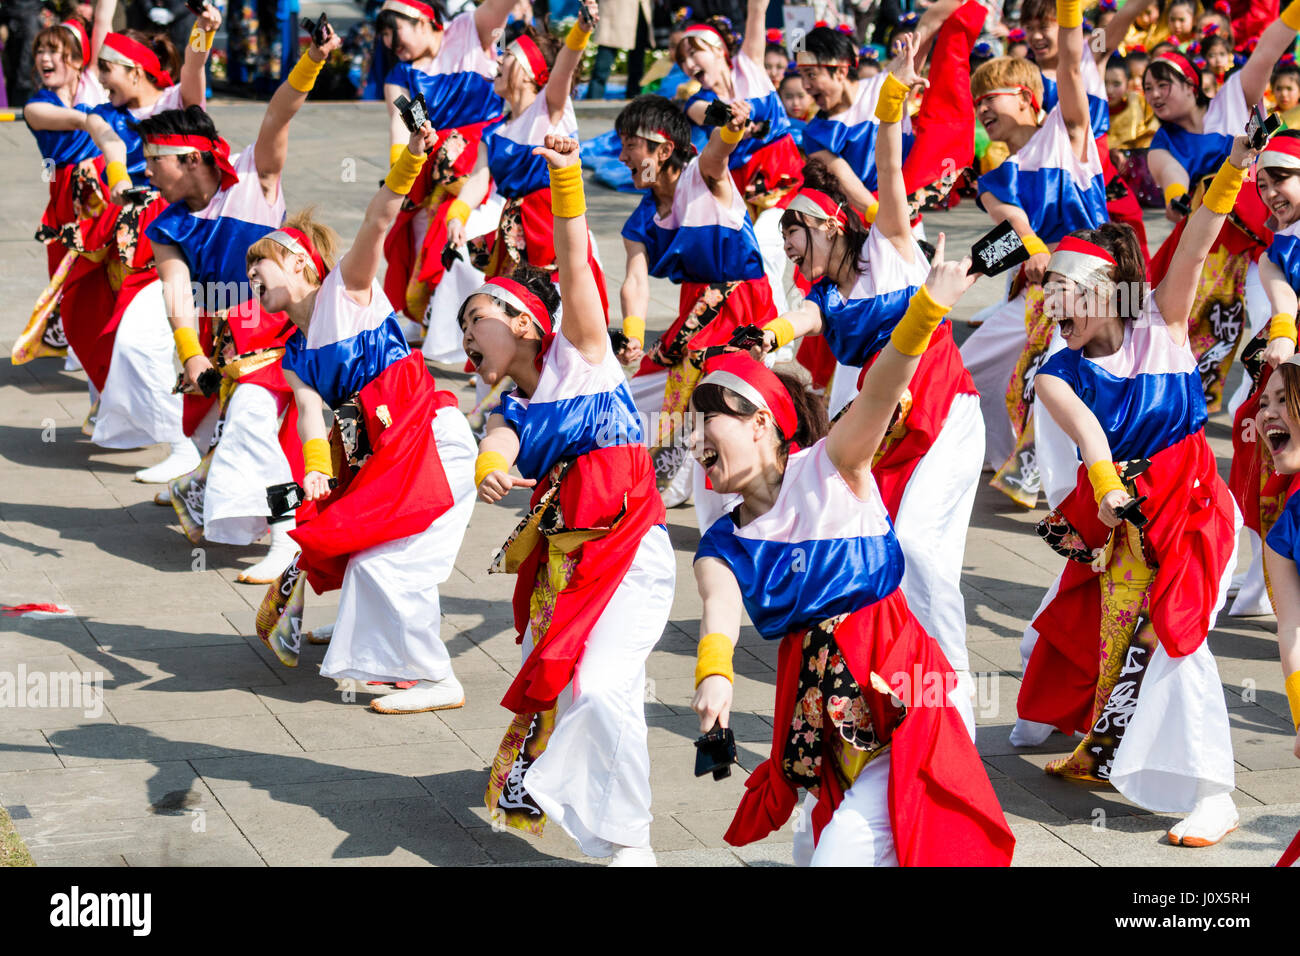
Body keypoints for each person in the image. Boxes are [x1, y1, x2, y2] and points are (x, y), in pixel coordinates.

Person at [688, 234, 1015, 867]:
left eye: (710, 419)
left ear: (761, 423)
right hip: (820, 724)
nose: (696, 438)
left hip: (902, 702)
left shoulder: (832, 466)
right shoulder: (722, 542)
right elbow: (717, 608)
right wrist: (715, 676)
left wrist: (927, 310)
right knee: (820, 854)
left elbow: (885, 384)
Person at [1015, 139, 1257, 849]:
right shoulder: (1057, 373)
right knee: (1115, 636)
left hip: (1198, 510)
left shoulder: (1165, 323)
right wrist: (1109, 491)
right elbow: (1091, 437)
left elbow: (1199, 242)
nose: (1054, 311)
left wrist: (1237, 164)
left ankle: (1214, 796)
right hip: (1128, 516)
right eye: (1048, 298)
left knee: (1178, 638)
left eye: (1065, 298)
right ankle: (1106, 746)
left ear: (1102, 291)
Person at [755, 34, 983, 737]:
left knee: (915, 549)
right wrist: (762, 340)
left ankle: (960, 712)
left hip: (947, 419)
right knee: (887, 559)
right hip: (889, 435)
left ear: (826, 223)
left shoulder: (890, 247)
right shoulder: (826, 294)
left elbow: (888, 168)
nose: (799, 262)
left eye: (798, 245)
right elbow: (799, 316)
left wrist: (895, 95)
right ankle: (906, 691)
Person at [475, 135, 674, 866]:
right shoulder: (509, 406)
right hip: (567, 569)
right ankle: (620, 833)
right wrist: (486, 471)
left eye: (478, 318)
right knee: (589, 691)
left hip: (632, 557)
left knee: (596, 688)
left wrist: (565, 179)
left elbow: (572, 262)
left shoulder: (584, 355)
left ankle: (632, 841)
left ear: (525, 324)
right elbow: (495, 444)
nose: (467, 332)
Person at [247, 119, 477, 711]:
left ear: (299, 263)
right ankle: (369, 639)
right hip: (386, 451)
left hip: (428, 439)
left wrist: (409, 163)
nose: (251, 280)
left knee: (390, 560)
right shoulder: (295, 353)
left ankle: (435, 678)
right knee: (362, 544)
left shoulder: (345, 293)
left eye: (261, 267)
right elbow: (305, 416)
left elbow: (378, 221)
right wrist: (316, 469)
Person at [142, 24, 341, 583]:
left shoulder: (255, 177)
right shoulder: (167, 224)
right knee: (215, 432)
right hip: (222, 342)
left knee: (262, 425)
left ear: (188, 159)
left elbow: (279, 113)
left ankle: (286, 538)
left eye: (153, 161)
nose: (146, 172)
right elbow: (178, 294)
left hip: (284, 331)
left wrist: (313, 60)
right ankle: (205, 486)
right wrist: (191, 357)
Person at [959, 0, 1107, 510]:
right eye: (974, 99)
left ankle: (1070, 484)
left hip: (1097, 282)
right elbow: (1014, 225)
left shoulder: (1069, 135)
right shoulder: (997, 177)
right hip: (1039, 293)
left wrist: (1068, 11)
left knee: (1074, 383)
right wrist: (1031, 245)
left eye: (988, 97)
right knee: (968, 368)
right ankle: (999, 459)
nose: (980, 108)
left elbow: (1069, 62)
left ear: (1026, 97)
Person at [615, 93, 776, 522]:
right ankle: (633, 481)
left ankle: (735, 513)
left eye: (631, 144)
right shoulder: (642, 218)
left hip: (742, 307)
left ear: (664, 149)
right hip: (694, 311)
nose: (621, 155)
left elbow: (720, 147)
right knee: (635, 396)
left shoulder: (702, 176)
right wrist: (633, 333)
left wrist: (732, 125)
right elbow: (634, 279)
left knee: (722, 410)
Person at [434, 0, 609, 367]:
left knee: (557, 302)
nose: (498, 60)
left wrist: (581, 29)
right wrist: (457, 215)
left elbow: (564, 66)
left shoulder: (549, 108)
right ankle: (511, 363)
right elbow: (480, 177)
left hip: (551, 224)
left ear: (532, 74)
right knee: (509, 298)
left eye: (509, 56)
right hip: (514, 229)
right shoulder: (494, 129)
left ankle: (562, 368)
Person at [1144, 7, 1300, 414]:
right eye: (1147, 89)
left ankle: (1265, 405)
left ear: (1190, 83)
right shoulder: (1163, 141)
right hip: (1219, 252)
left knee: (1274, 320)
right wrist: (1178, 195)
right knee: (1180, 336)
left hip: (1274, 235)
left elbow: (1267, 51)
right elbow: (1170, 174)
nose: (1154, 94)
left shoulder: (1233, 97)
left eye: (1163, 84)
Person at [86, 9, 219, 482]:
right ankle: (182, 444)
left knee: (171, 340)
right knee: (136, 338)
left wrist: (205, 28)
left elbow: (195, 69)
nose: (100, 80)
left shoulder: (175, 102)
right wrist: (120, 184)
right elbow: (113, 151)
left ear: (135, 70)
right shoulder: (107, 116)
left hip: (204, 238)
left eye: (106, 69)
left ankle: (193, 451)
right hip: (148, 244)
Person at [379, 0, 514, 339]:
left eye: (398, 39)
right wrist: (401, 175)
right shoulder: (400, 75)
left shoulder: (471, 29)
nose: (397, 51)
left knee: (481, 242)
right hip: (435, 169)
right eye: (389, 45)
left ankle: (490, 324)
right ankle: (429, 317)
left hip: (489, 162)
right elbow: (400, 130)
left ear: (423, 20)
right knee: (416, 232)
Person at [796, 2, 985, 225]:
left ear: (840, 70)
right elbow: (845, 181)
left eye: (811, 74)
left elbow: (931, 21)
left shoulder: (887, 84)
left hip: (907, 212)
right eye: (802, 76)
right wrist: (883, 220)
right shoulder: (815, 133)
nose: (805, 86)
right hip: (863, 222)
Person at [674, 0, 804, 312]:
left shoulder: (751, 66)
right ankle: (768, 323)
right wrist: (733, 120)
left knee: (764, 247)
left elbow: (757, 10)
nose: (689, 63)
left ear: (718, 48)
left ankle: (776, 330)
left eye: (694, 52)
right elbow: (714, 116)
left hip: (782, 176)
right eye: (683, 60)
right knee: (754, 257)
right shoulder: (696, 102)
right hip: (739, 189)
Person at [1227, 130, 1300, 616]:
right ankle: (1270, 585)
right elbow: (1282, 295)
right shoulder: (1280, 245)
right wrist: (1282, 333)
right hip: (1292, 369)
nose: (1271, 192)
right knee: (1250, 429)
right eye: (1263, 184)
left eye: (1282, 179)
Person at [15, 17, 110, 380]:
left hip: (108, 196)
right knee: (71, 283)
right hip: (69, 204)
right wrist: (96, 119)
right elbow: (70, 120)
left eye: (53, 50)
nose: (44, 57)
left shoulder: (93, 85)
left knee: (111, 279)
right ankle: (76, 345)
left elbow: (102, 19)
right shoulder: (37, 105)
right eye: (40, 50)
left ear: (76, 60)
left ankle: (102, 358)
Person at [1252, 355, 1300, 866]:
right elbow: (1292, 627)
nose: (1268, 414)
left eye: (1284, 400)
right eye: (1264, 402)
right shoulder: (1285, 528)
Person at [585, 0, 655, 100]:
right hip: (614, 10)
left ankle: (635, 103)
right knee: (603, 66)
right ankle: (592, 102)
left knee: (637, 67)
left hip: (641, 9)